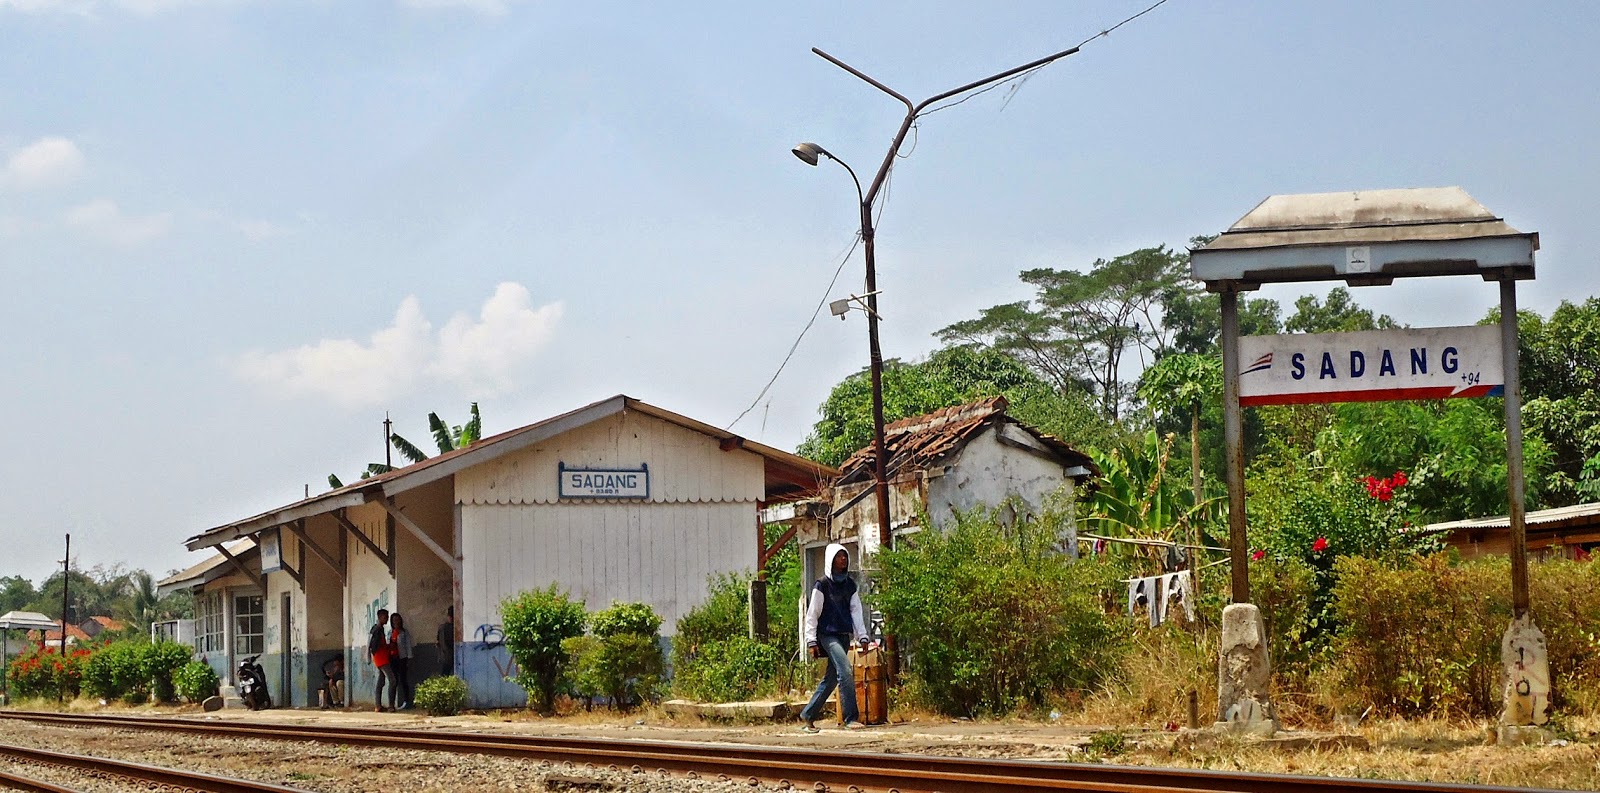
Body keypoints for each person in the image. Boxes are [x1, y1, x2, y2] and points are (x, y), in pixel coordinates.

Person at [798, 543, 875, 732]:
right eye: (839, 556)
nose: (843, 560)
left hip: (843, 636)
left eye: (845, 556)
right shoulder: (822, 585)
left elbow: (856, 612)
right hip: (827, 635)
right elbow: (812, 614)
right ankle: (851, 718)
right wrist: (811, 641)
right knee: (846, 671)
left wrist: (862, 637)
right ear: (831, 560)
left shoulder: (849, 585)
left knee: (831, 679)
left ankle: (808, 715)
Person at [368, 608, 395, 712]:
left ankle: (378, 705)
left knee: (381, 681)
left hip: (381, 657)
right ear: (380, 617)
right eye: (385, 617)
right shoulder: (378, 629)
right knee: (392, 680)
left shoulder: (377, 629)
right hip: (381, 658)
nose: (387, 619)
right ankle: (391, 705)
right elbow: (375, 645)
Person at [390, 612, 414, 710]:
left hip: (402, 658)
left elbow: (408, 645)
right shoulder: (390, 633)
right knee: (394, 681)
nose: (396, 622)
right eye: (394, 620)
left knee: (403, 680)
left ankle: (406, 701)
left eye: (398, 619)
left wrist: (409, 657)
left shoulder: (404, 633)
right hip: (392, 659)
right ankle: (392, 703)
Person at [436, 606, 455, 677]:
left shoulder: (442, 627)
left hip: (444, 655)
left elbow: (438, 641)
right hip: (450, 654)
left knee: (445, 674)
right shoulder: (451, 627)